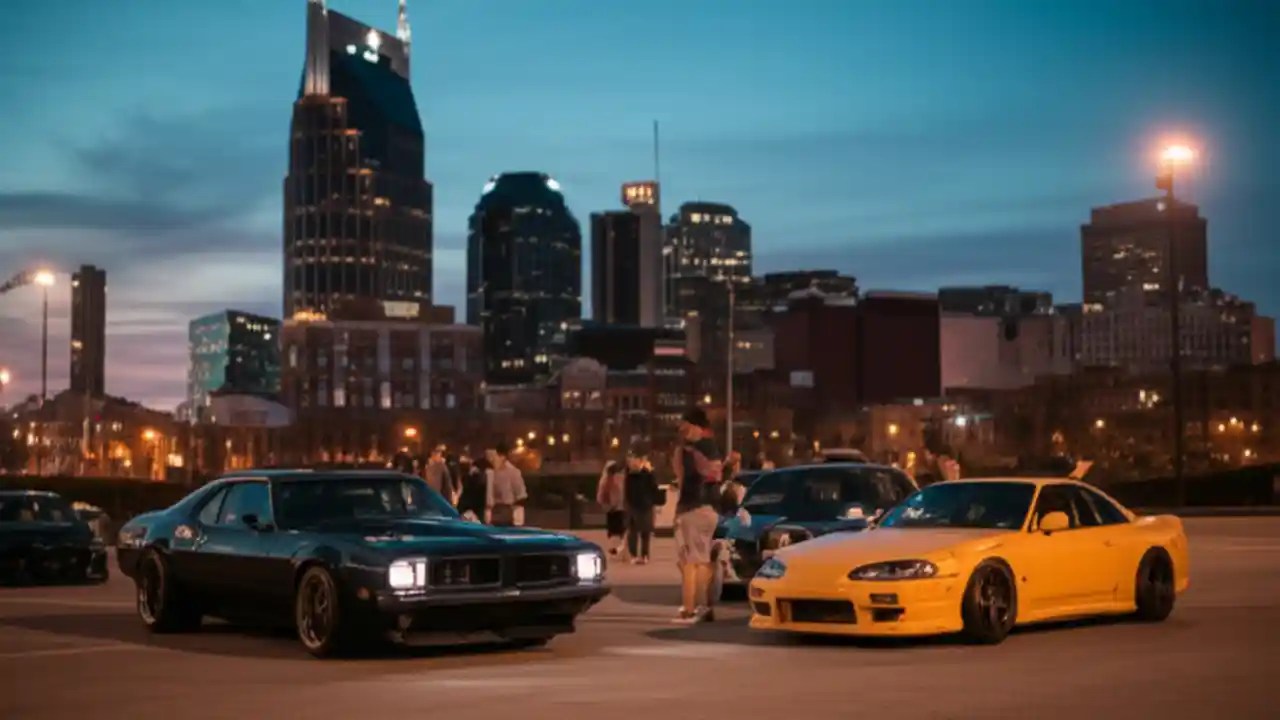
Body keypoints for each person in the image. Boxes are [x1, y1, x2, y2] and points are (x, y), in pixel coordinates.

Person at [671, 408, 723, 624]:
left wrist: (679, 511)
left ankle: (693, 608)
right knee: (699, 558)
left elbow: (687, 479)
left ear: (695, 426)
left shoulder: (691, 450)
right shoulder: (712, 448)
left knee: (692, 561)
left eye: (685, 425)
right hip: (710, 509)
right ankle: (704, 606)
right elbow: (716, 475)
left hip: (694, 508)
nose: (682, 430)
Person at [623, 444, 659, 565]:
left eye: (635, 460)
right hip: (634, 505)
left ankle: (644, 555)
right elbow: (627, 490)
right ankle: (633, 554)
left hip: (645, 506)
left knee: (645, 532)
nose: (633, 463)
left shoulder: (647, 473)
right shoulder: (629, 474)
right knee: (633, 532)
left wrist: (651, 501)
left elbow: (654, 488)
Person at [485, 442, 527, 526]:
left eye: (493, 457)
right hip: (491, 512)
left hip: (507, 511)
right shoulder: (490, 472)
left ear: (502, 457)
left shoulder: (513, 472)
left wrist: (518, 519)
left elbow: (521, 496)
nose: (490, 459)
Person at [596, 461, 627, 556]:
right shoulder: (619, 479)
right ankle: (619, 549)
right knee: (619, 530)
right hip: (617, 508)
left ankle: (616, 548)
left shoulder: (607, 480)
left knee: (615, 530)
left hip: (614, 508)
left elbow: (601, 495)